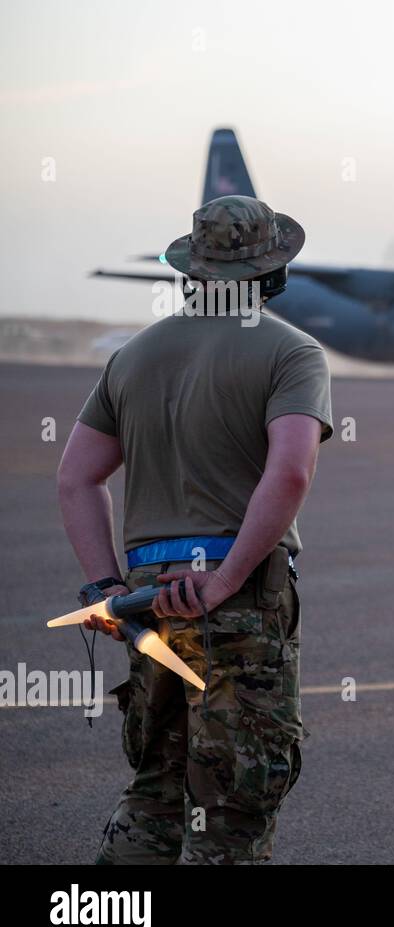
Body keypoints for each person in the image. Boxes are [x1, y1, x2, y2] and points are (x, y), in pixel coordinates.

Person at [56, 194, 333, 863]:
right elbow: (290, 474)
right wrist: (228, 578)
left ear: (191, 270)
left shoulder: (133, 357)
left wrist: (104, 586)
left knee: (156, 787)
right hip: (233, 596)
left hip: (145, 597)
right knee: (234, 802)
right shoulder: (292, 353)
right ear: (273, 275)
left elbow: (76, 477)